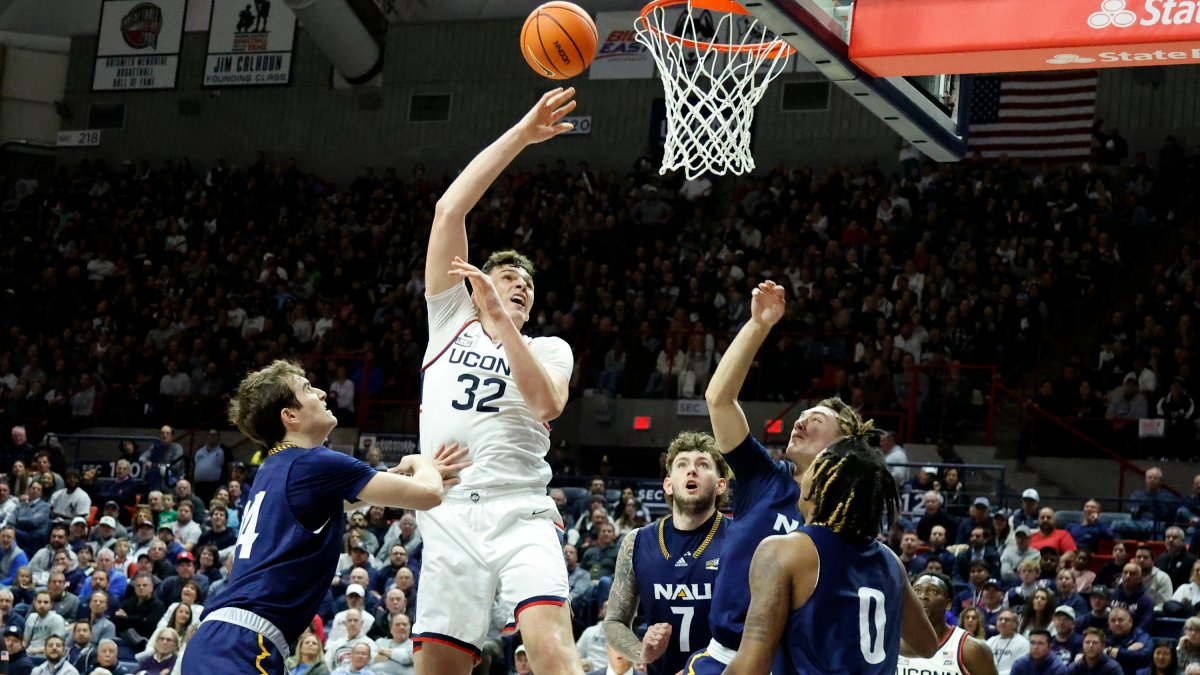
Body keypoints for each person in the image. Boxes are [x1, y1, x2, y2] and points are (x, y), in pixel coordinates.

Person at [411, 87, 579, 675]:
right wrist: (522, 134)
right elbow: (449, 212)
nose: (519, 283)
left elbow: (546, 405)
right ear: (479, 279)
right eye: (507, 274)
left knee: (553, 649)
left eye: (527, 285)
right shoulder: (449, 318)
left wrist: (504, 321)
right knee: (438, 667)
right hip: (448, 509)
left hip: (520, 508)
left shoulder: (547, 347)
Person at [180, 360, 467, 674]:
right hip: (245, 644)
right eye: (307, 389)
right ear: (290, 416)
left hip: (223, 639)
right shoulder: (315, 462)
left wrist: (405, 478)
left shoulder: (273, 469)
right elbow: (430, 495)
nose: (320, 392)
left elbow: (352, 496)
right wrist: (420, 461)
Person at [683, 279, 873, 675]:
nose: (800, 421)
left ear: (841, 446)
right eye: (801, 415)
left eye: (816, 420)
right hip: (722, 658)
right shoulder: (765, 477)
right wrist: (759, 325)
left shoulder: (847, 515)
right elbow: (719, 399)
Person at [719, 434, 940, 675]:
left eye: (814, 465)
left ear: (820, 485)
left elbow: (751, 667)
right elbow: (927, 645)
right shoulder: (891, 562)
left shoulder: (786, 551)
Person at [604, 431, 730, 675]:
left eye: (703, 465)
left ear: (720, 484)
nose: (691, 471)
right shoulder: (636, 542)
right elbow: (614, 622)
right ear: (668, 484)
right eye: (682, 465)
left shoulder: (740, 541)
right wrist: (642, 651)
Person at [897, 572, 998, 675]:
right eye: (917, 591)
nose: (923, 596)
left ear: (948, 604)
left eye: (933, 591)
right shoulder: (892, 643)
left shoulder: (971, 649)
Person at [990, 609, 1033, 675]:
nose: (1003, 622)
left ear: (1015, 624)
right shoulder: (990, 641)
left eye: (1007, 620)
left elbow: (1020, 668)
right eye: (1000, 619)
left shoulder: (1023, 643)